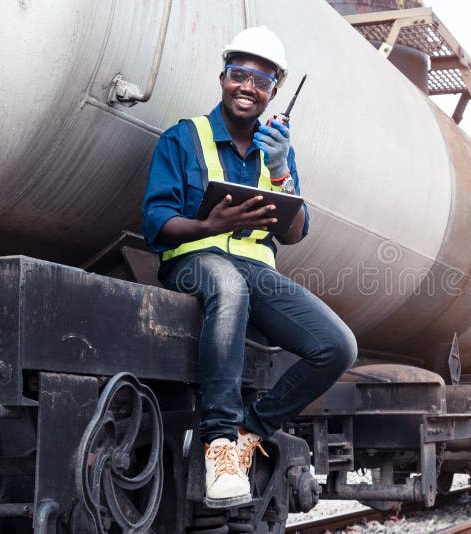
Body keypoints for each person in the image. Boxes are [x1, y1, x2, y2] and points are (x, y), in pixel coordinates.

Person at [142, 26, 357, 509]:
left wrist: (281, 170)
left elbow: (296, 232)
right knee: (229, 286)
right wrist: (208, 223)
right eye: (239, 76)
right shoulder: (184, 138)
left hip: (255, 273)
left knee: (338, 346)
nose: (248, 87)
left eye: (261, 82)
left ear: (273, 93)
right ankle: (217, 443)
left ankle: (247, 432)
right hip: (194, 265)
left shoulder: (276, 149)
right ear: (223, 78)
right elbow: (156, 224)